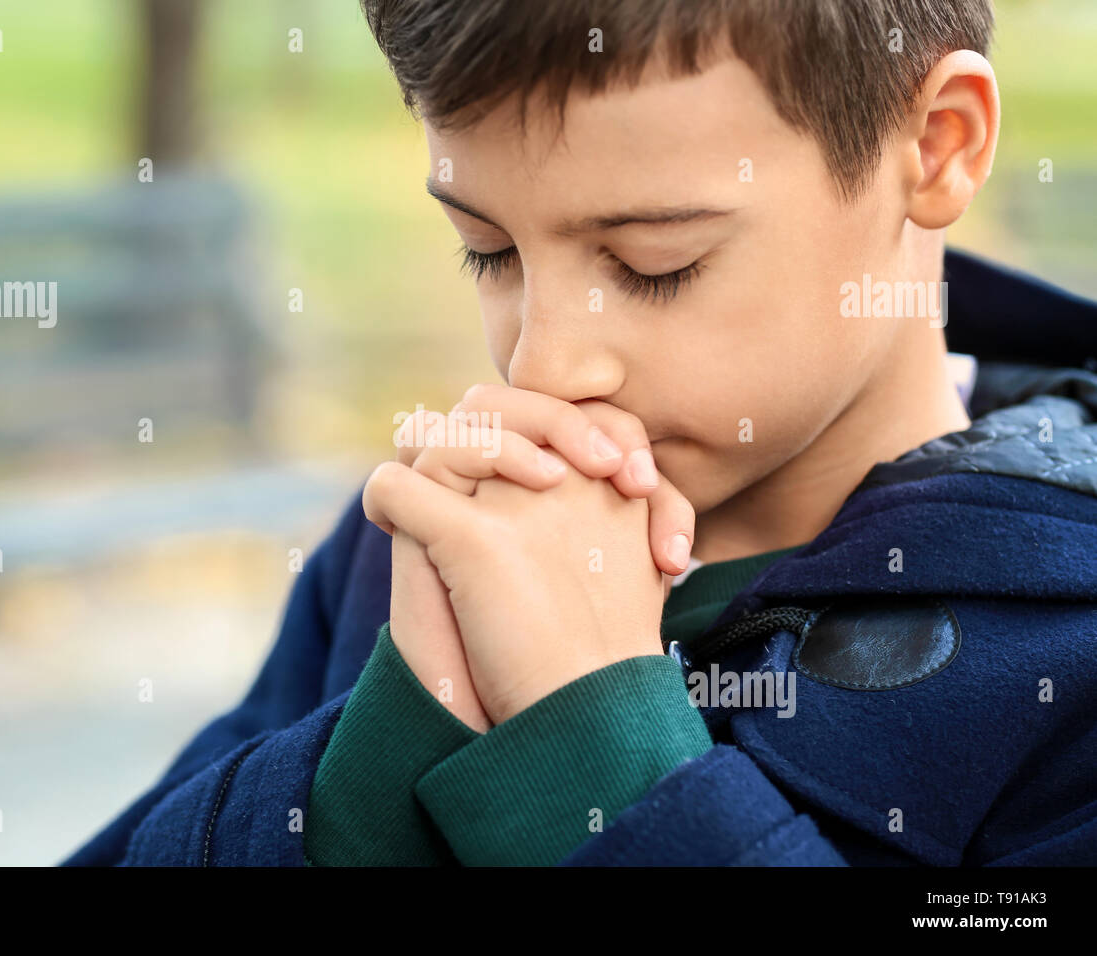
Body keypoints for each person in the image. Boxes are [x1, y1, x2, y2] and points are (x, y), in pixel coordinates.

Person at [65, 0, 1097, 866]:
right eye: (488, 250)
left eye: (654, 262)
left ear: (936, 144)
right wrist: (361, 784)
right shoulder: (423, 549)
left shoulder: (1066, 665)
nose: (542, 366)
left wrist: (600, 756)